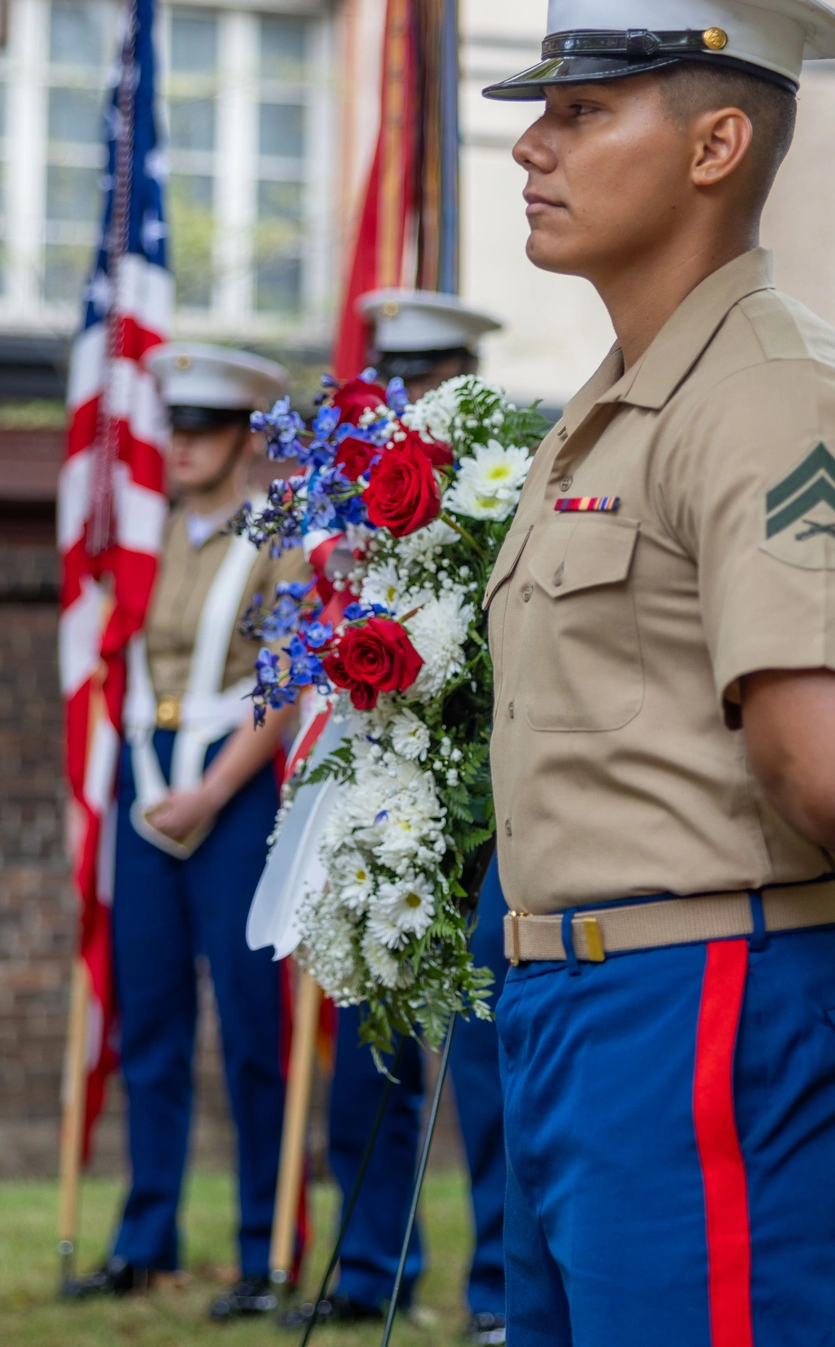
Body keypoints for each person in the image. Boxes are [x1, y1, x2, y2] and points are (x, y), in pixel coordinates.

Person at [480, 0, 835, 1346]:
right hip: (586, 1015)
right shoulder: (612, 407)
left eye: (582, 111)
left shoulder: (773, 398)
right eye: (541, 113)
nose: (531, 149)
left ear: (717, 142)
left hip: (705, 1014)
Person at [283, 291, 509, 1347]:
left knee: (487, 1058)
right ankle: (374, 1268)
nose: (413, 400)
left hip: (476, 804)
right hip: (373, 796)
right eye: (398, 377)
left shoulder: (498, 498)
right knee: (373, 1048)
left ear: (467, 374)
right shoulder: (345, 514)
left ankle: (500, 1290)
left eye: (434, 374)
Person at [66, 342, 306, 1322]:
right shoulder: (141, 534)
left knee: (253, 1031)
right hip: (140, 784)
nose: (185, 444)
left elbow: (286, 678)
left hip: (233, 790)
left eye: (206, 428)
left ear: (249, 436)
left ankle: (263, 1249)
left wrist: (211, 791)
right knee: (149, 1027)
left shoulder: (281, 533)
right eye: (177, 425)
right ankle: (143, 1237)